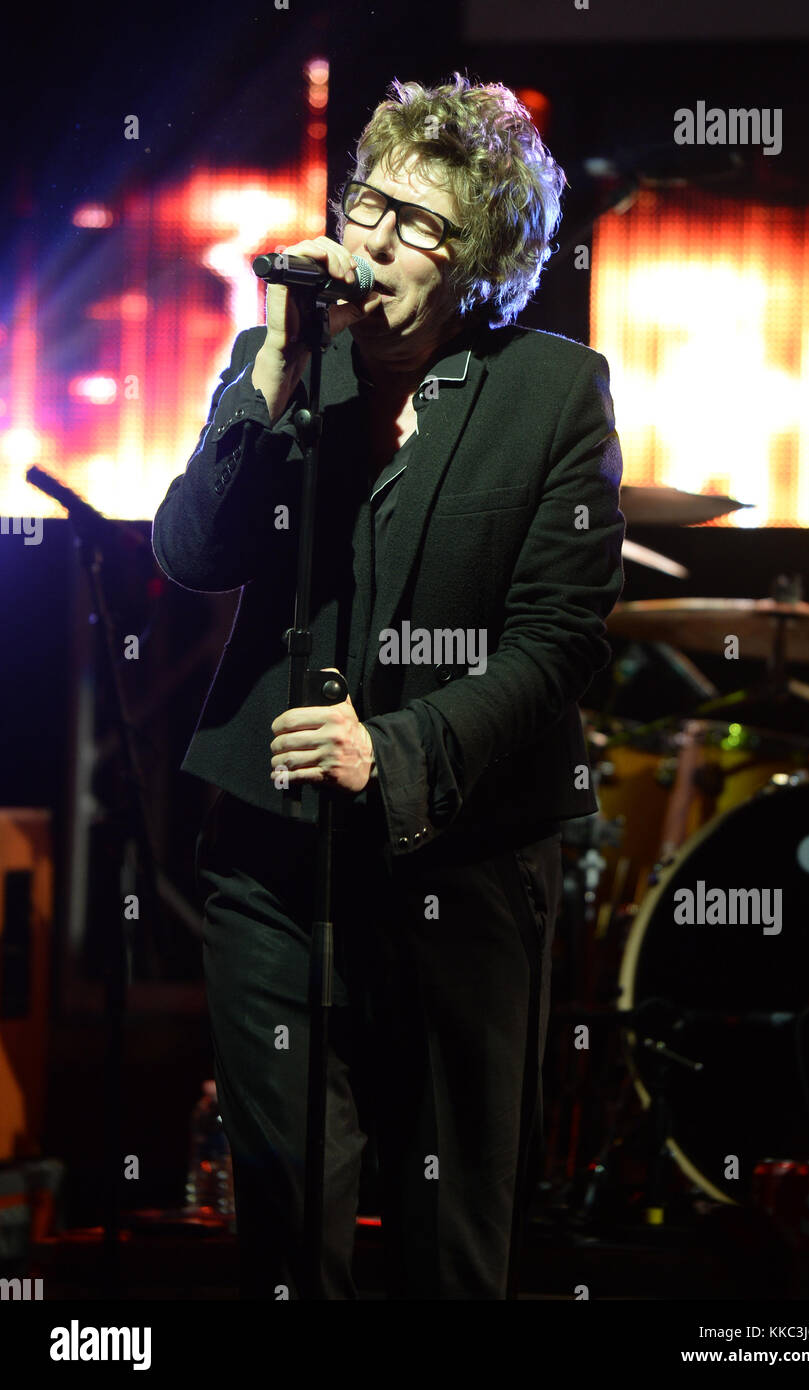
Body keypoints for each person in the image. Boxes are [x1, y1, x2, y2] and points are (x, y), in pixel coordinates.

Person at [152, 71, 625, 1300]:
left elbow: (559, 638)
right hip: (271, 858)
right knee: (290, 1232)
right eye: (370, 202)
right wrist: (268, 372)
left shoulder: (550, 393)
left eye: (419, 223)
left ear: (478, 263)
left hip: (459, 862)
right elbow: (194, 551)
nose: (371, 238)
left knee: (447, 1241)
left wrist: (396, 751)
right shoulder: (292, 362)